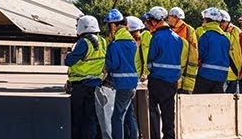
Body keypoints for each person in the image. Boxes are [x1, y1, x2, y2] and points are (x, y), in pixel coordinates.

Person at [64, 15, 105, 139]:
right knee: (92, 117)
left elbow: (69, 61)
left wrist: (69, 54)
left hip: (81, 86)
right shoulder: (103, 41)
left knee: (78, 118)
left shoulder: (84, 43)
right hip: (96, 84)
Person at [144, 7, 182, 139]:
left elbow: (150, 61)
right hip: (172, 82)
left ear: (155, 21)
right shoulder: (178, 38)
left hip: (157, 81)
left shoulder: (156, 38)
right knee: (168, 113)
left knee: (154, 112)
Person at [104, 10, 139, 139]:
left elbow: (114, 65)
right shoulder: (132, 43)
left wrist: (106, 61)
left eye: (109, 25)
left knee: (117, 117)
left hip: (122, 85)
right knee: (129, 115)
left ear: (114, 25)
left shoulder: (115, 45)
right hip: (132, 84)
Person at [193, 8, 231, 95]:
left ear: (206, 20)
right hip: (222, 77)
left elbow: (199, 55)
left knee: (198, 103)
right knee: (216, 105)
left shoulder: (206, 36)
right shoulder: (225, 38)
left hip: (205, 75)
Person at [166, 8, 198, 93]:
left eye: (170, 17)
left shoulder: (188, 30)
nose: (168, 19)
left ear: (176, 17)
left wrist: (188, 81)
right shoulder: (167, 29)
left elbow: (193, 54)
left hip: (183, 74)